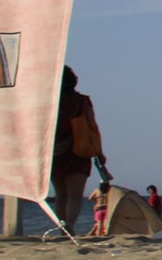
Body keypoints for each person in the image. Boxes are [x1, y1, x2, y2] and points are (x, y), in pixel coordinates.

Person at [51, 66, 106, 235]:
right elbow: (91, 127)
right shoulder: (82, 101)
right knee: (75, 195)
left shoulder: (50, 101)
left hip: (55, 151)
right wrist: (99, 152)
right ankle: (70, 225)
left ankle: (62, 227)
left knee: (61, 195)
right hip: (78, 150)